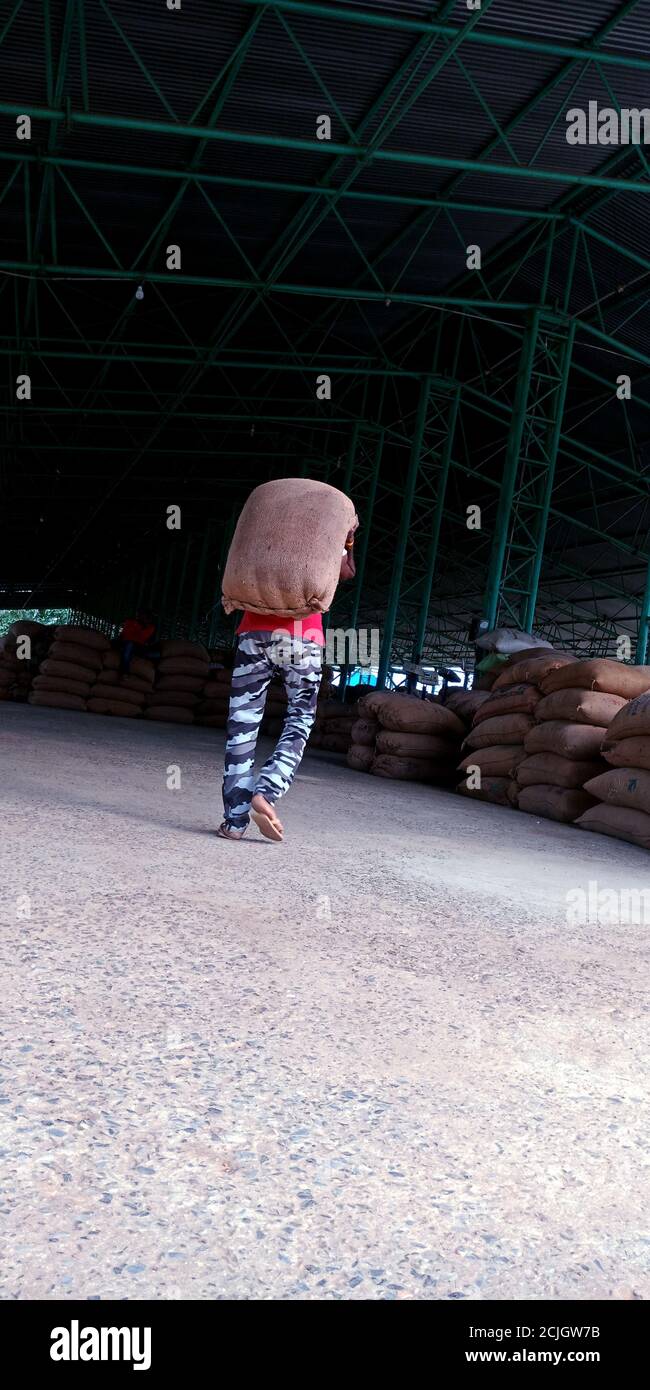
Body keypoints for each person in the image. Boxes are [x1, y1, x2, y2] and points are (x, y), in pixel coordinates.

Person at [217, 529, 356, 842]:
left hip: (254, 635)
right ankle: (266, 791)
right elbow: (347, 572)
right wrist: (347, 541)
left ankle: (235, 822)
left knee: (243, 723)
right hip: (301, 639)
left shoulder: (265, 534)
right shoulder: (324, 539)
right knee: (299, 719)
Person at [114, 609, 159, 676]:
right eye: (146, 617)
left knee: (157, 654)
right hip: (127, 645)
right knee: (129, 646)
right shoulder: (130, 622)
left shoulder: (151, 628)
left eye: (150, 618)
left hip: (139, 648)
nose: (149, 619)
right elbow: (124, 636)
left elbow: (148, 641)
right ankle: (124, 672)